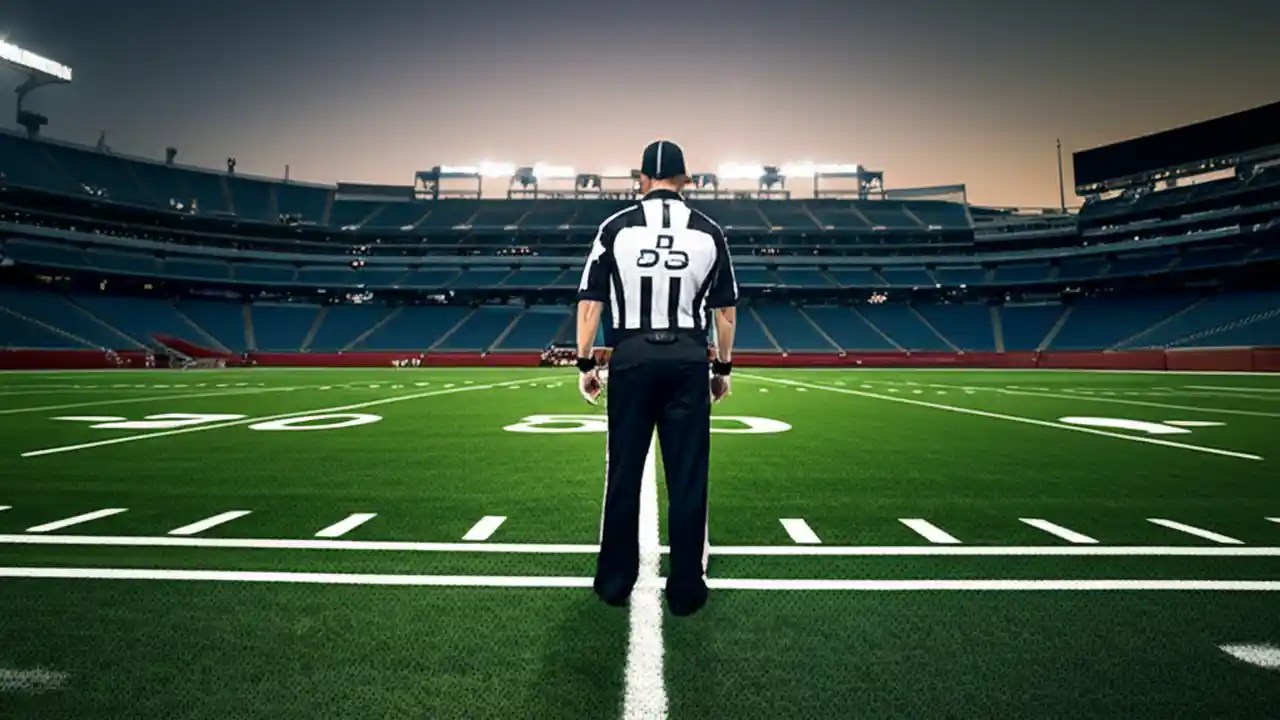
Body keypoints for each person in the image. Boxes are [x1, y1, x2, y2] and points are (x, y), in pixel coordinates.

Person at [575, 140, 738, 616]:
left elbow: (590, 304)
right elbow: (725, 313)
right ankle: (686, 587)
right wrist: (722, 368)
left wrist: (586, 363)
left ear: (641, 179)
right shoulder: (709, 231)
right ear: (685, 181)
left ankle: (614, 581)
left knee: (624, 473)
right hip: (687, 357)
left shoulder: (615, 227)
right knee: (688, 477)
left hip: (631, 357)